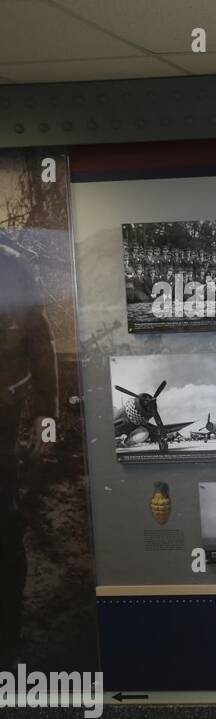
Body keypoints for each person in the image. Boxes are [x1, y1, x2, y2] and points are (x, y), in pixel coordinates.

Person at [0, 244, 58, 669]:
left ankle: (7, 631)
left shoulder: (14, 270)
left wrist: (46, 421)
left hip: (3, 420)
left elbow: (43, 357)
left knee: (4, 522)